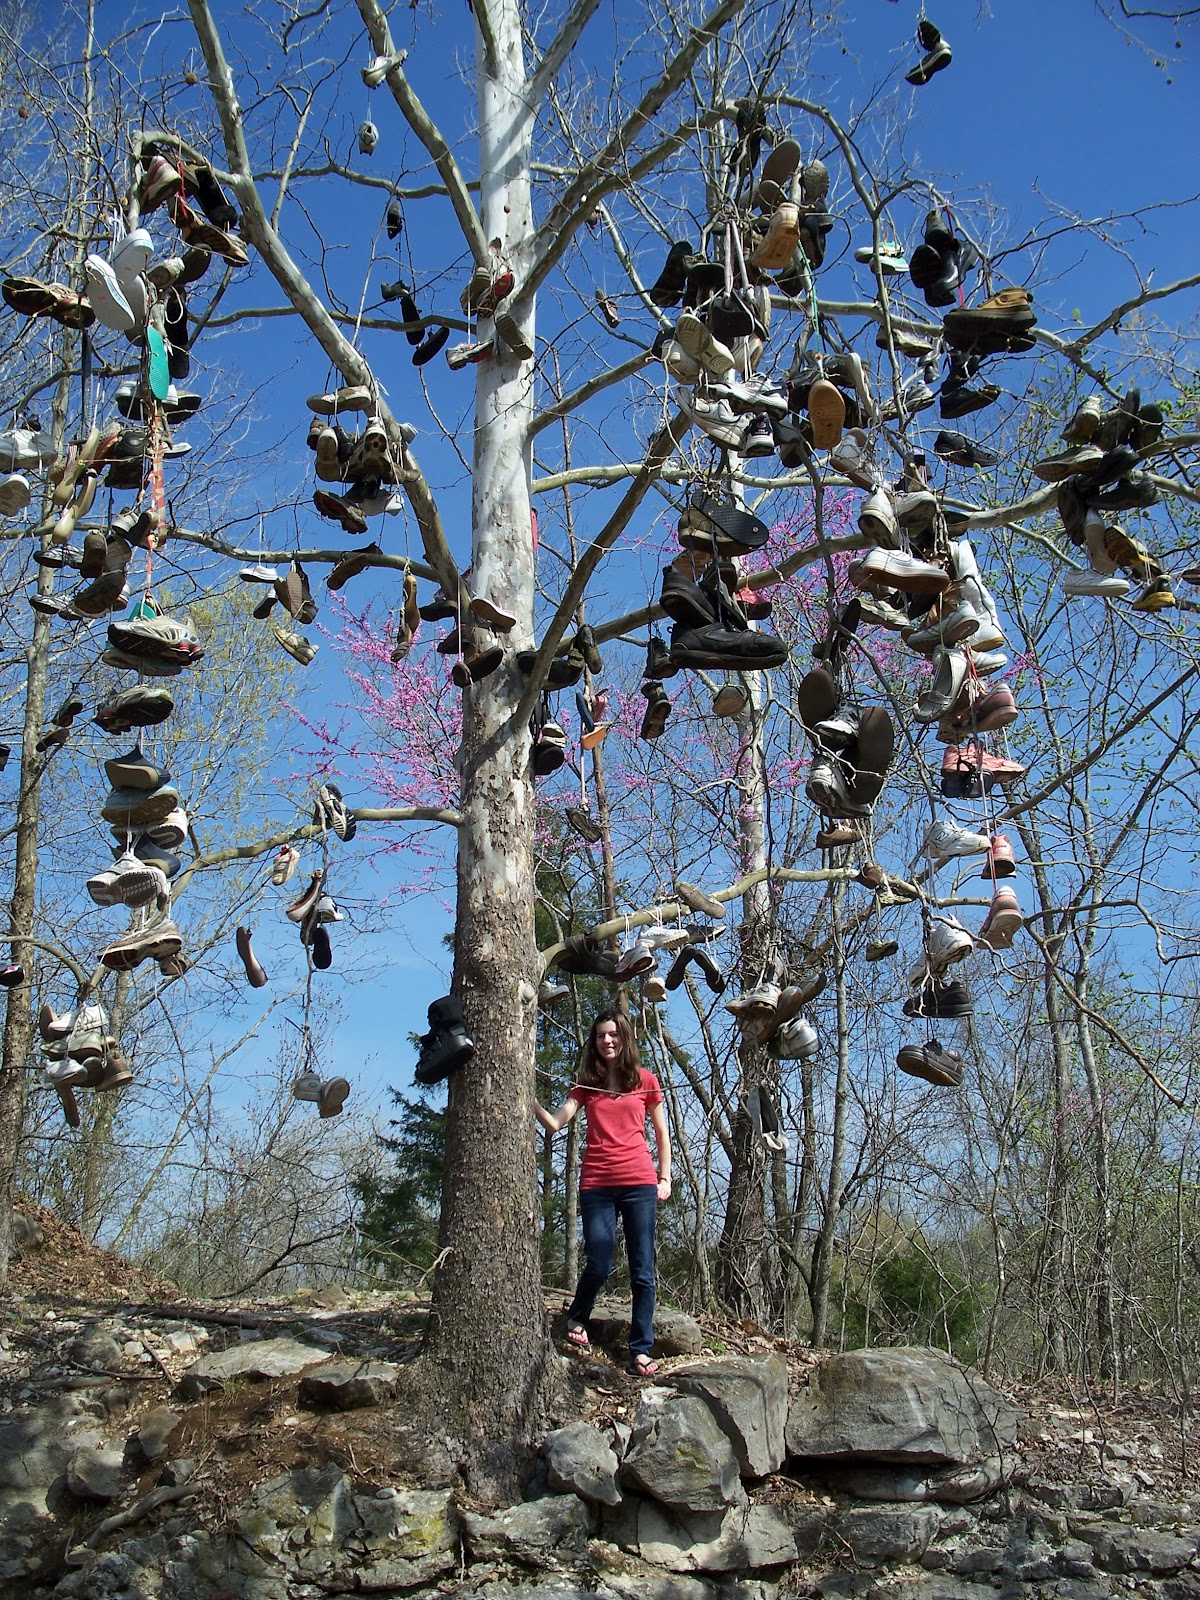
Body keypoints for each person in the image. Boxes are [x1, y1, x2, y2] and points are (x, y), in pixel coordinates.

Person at [535, 1008, 671, 1376]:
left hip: (639, 1182)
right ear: (593, 1043)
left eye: (613, 1035)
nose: (607, 1040)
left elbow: (661, 1133)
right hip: (597, 1183)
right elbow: (554, 1123)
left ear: (625, 1039)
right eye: (600, 1036)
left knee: (642, 1270)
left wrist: (665, 1178)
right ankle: (576, 1317)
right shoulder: (586, 1084)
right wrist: (525, 1093)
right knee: (598, 1259)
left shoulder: (645, 1080)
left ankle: (640, 1349)